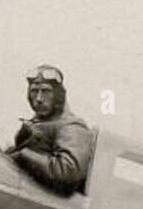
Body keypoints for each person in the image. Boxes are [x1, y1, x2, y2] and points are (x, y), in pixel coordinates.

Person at [6, 65, 94, 195]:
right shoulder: (39, 122)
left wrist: (23, 155)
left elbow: (69, 172)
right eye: (34, 91)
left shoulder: (72, 125)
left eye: (45, 91)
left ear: (58, 96)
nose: (39, 98)